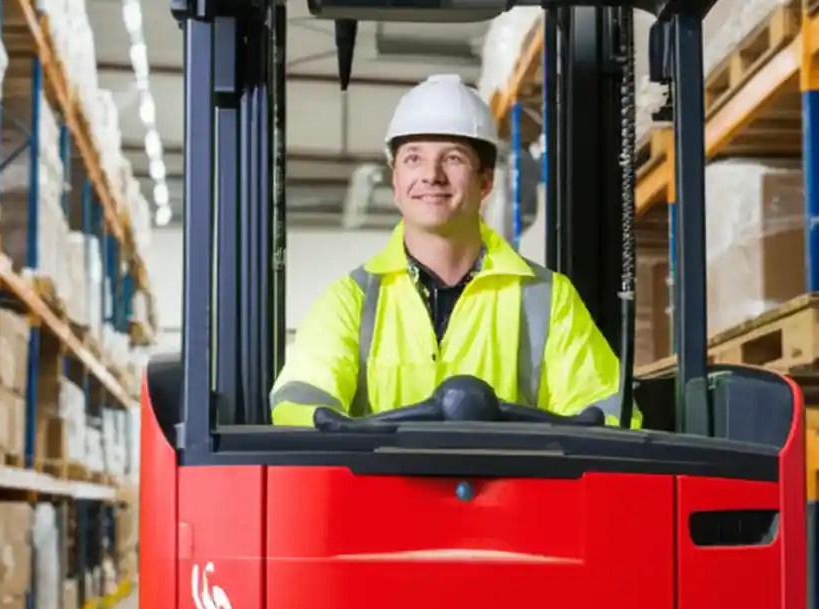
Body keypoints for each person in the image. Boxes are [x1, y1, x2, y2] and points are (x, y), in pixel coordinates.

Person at [269, 74, 639, 428]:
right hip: (383, 494)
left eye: (453, 158)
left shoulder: (547, 298)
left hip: (515, 494)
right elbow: (299, 404)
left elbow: (608, 415)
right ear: (396, 180)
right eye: (413, 158)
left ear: (486, 180)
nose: (432, 175)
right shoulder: (352, 300)